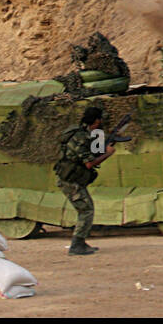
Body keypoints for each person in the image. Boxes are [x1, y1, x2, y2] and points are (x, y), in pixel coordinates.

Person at [54, 106, 116, 256]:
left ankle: (80, 242)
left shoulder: (81, 132)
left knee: (86, 209)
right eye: (100, 119)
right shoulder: (80, 137)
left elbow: (92, 150)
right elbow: (89, 163)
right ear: (96, 120)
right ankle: (76, 245)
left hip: (72, 178)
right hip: (70, 181)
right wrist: (108, 153)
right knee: (86, 210)